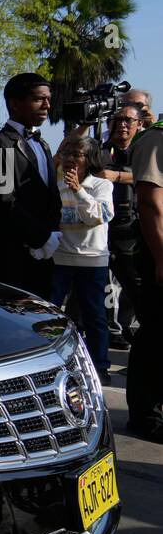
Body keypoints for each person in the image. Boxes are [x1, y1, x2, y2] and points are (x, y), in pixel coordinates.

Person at [0, 73, 61, 298]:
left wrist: (50, 236)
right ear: (15, 103)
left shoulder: (43, 144)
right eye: (38, 99)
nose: (47, 105)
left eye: (48, 99)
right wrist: (39, 238)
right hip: (6, 259)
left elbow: (51, 196)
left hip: (41, 257)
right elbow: (2, 203)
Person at [45, 136, 114, 382]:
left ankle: (100, 366)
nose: (70, 160)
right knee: (50, 312)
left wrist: (79, 190)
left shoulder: (101, 186)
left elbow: (99, 216)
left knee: (94, 315)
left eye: (77, 155)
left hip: (92, 260)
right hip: (61, 259)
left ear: (90, 159)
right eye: (67, 154)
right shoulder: (56, 185)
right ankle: (49, 362)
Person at [126, 113, 163, 442]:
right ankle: (146, 414)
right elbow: (151, 203)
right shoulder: (156, 138)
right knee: (156, 334)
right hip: (157, 253)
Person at [103, 104, 142, 346]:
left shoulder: (142, 150)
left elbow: (148, 174)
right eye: (118, 120)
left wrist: (117, 176)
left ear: (139, 125)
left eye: (129, 121)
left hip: (133, 227)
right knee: (106, 285)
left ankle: (126, 325)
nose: (123, 125)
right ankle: (111, 328)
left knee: (132, 284)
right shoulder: (101, 150)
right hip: (102, 226)